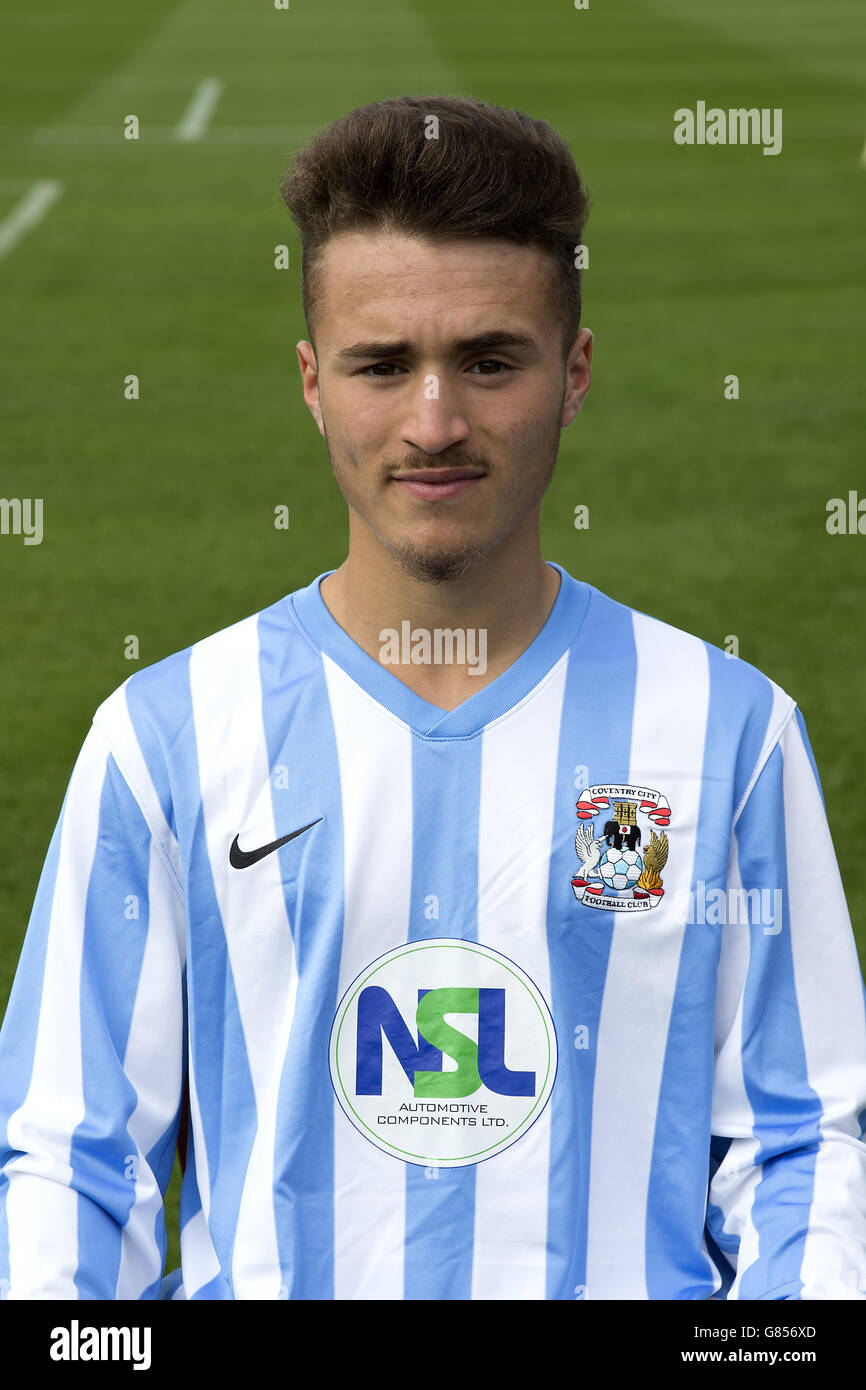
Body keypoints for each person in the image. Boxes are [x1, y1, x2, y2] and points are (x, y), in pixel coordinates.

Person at [1, 94, 865, 1302]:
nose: (434, 422)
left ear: (571, 372)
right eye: (380, 365)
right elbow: (71, 1159)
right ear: (312, 382)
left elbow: (804, 1147)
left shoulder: (725, 733)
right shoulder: (166, 738)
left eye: (487, 360)